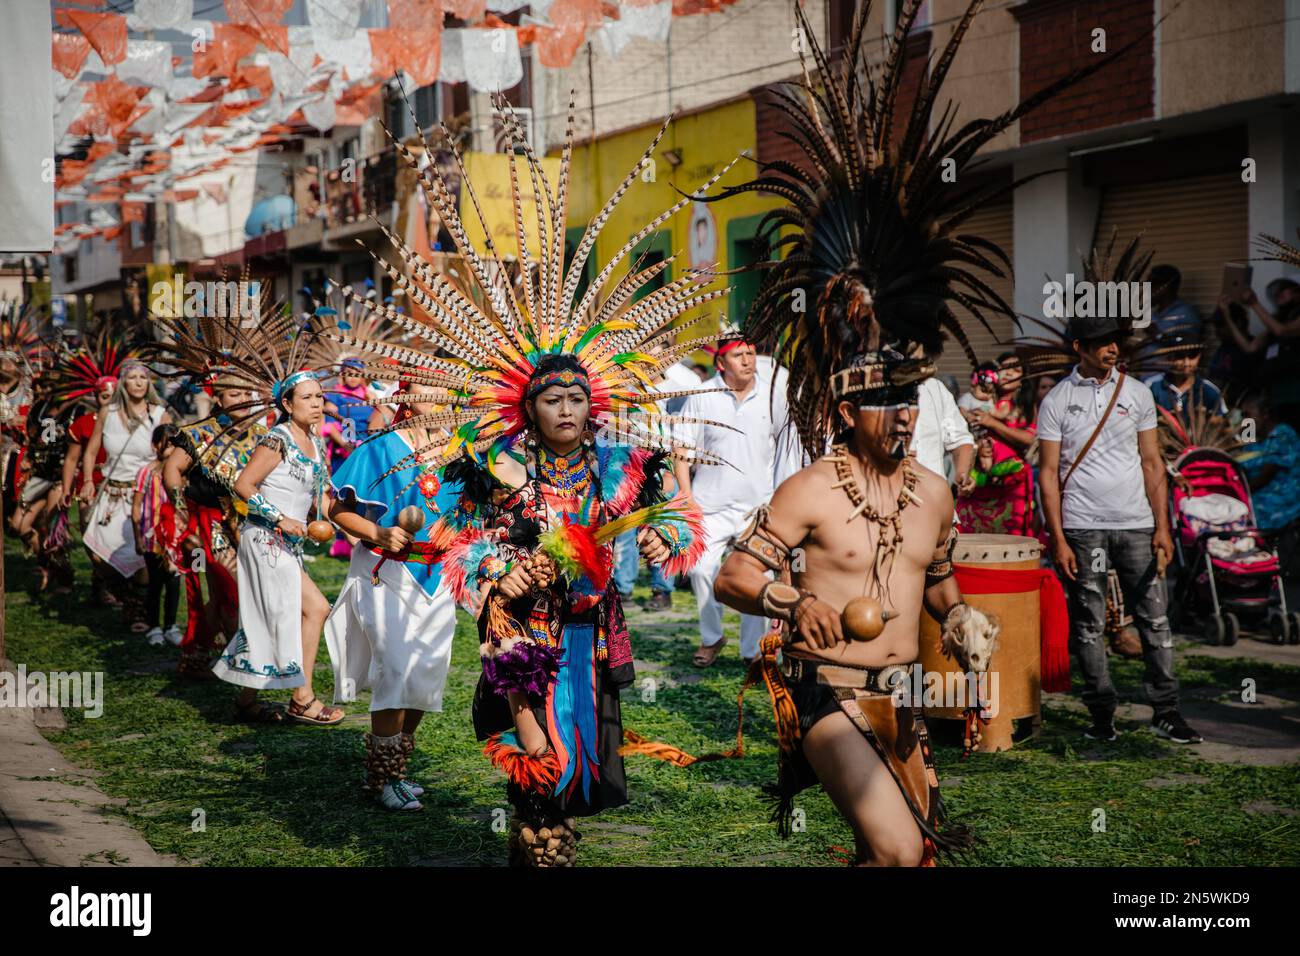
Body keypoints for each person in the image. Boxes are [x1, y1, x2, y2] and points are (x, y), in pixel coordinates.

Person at [336, 91, 716, 864]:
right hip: (522, 637)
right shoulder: (494, 465)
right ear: (530, 407)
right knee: (534, 762)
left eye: (579, 395)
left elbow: (673, 520)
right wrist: (505, 567)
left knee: (579, 763)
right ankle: (536, 841)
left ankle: (548, 840)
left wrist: (668, 524)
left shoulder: (618, 462)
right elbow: (457, 536)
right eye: (555, 397)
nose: (569, 407)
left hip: (590, 632)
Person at [1037, 312, 1202, 745]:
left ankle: (1167, 712)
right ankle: (1101, 714)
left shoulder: (1136, 394)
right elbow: (1048, 473)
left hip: (1136, 524)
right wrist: (1057, 537)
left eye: (1116, 340)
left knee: (1154, 619)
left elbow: (1152, 463)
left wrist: (1162, 527)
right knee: (1089, 625)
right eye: (1102, 341)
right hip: (1082, 526)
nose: (1112, 348)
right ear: (1079, 348)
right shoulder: (1056, 399)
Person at [324, 381, 464, 811]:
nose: (437, 393)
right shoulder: (382, 447)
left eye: (444, 385)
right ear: (405, 391)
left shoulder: (462, 448)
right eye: (426, 384)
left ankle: (393, 769)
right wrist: (379, 531)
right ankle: (383, 778)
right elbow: (338, 509)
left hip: (440, 575)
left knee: (426, 674)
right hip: (387, 571)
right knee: (397, 670)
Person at [216, 370, 343, 726]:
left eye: (319, 396)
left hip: (288, 545)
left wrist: (354, 525)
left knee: (270, 620)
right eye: (307, 398)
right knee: (316, 608)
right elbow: (244, 484)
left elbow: (323, 494)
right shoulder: (278, 439)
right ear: (286, 404)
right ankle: (302, 699)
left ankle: (245, 701)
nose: (317, 403)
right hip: (265, 540)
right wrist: (279, 519)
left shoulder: (315, 441)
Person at [674, 328, 799, 667]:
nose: (747, 361)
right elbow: (682, 446)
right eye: (738, 355)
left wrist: (782, 501)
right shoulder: (702, 394)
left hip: (758, 509)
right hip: (710, 505)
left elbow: (786, 448)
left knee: (756, 578)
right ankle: (712, 638)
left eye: (750, 353)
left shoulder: (773, 395)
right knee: (700, 570)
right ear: (720, 362)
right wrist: (685, 494)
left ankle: (753, 652)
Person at [160, 376, 266, 677]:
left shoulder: (262, 434)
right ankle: (243, 662)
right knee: (232, 590)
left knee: (223, 596)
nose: (243, 398)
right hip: (211, 525)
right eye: (234, 393)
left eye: (247, 391)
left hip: (251, 524)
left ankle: (197, 652)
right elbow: (173, 469)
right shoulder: (202, 433)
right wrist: (179, 509)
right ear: (218, 399)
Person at [80, 360, 171, 629]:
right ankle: (127, 596)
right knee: (94, 550)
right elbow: (91, 449)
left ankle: (138, 611)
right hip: (111, 492)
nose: (139, 382)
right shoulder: (108, 412)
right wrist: (87, 480)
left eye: (144, 377)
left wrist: (158, 468)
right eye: (133, 377)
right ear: (123, 382)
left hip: (143, 494)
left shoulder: (159, 414)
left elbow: (172, 452)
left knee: (142, 557)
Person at [611, 355, 700, 609]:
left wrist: (673, 474)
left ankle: (662, 590)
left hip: (663, 469)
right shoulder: (624, 388)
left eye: (659, 354)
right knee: (626, 531)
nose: (653, 361)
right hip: (628, 468)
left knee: (663, 527)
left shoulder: (681, 386)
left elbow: (682, 437)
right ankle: (623, 589)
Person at [958, 352, 1037, 534]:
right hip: (977, 482)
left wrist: (992, 422)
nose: (1008, 373)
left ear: (1022, 379)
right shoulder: (974, 400)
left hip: (1010, 484)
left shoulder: (1024, 405)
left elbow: (1028, 439)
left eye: (1015, 370)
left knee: (1010, 541)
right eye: (1004, 369)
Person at [132, 424, 181, 647]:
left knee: (174, 582)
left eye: (175, 444)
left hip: (176, 540)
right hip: (152, 539)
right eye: (167, 444)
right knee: (155, 583)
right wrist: (138, 538)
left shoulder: (182, 474)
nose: (171, 449)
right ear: (155, 445)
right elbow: (136, 508)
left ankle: (171, 626)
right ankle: (153, 627)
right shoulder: (147, 473)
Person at [909, 347, 975, 492]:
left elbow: (960, 439)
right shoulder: (872, 385)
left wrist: (962, 473)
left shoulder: (935, 388)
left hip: (935, 498)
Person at [1236, 393, 1300, 532]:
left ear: (1265, 414)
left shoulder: (1283, 434)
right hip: (1255, 499)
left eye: (1248, 415)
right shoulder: (1252, 437)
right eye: (1243, 416)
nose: (1245, 420)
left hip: (1280, 505)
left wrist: (1237, 491)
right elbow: (1241, 465)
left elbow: (1266, 475)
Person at [1142, 334, 1226, 416]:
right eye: (1180, 356)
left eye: (1191, 356)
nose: (1186, 363)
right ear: (1169, 357)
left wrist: (1206, 419)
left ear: (1199, 357)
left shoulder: (1210, 391)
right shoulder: (1151, 386)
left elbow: (1224, 424)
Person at [1149, 264, 1202, 338]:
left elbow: (1188, 345)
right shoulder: (1156, 313)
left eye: (1151, 286)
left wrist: (1157, 333)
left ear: (1165, 287)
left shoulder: (1185, 313)